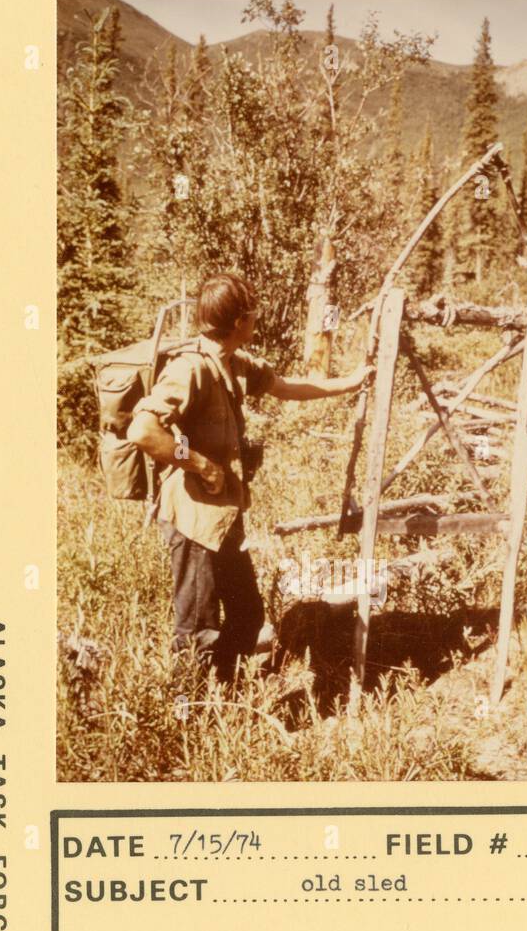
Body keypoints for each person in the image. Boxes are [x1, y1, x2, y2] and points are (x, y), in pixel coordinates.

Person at [127, 272, 370, 682]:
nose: (257, 319)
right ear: (239, 321)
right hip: (192, 521)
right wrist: (198, 463)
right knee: (197, 631)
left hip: (223, 515)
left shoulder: (234, 363)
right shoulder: (190, 369)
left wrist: (348, 383)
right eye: (253, 314)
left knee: (247, 615)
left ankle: (223, 689)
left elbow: (286, 387)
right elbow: (143, 431)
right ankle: (192, 710)